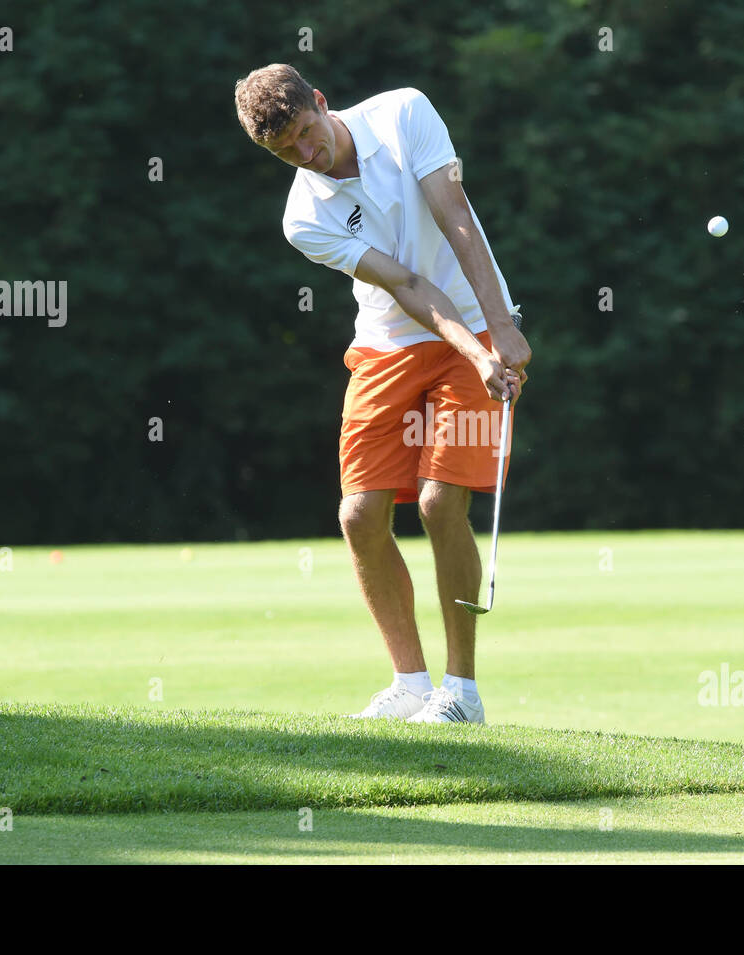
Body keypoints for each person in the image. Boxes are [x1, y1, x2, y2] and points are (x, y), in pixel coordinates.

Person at [234, 64, 532, 723]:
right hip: (389, 343)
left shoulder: (404, 113)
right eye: (286, 153)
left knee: (437, 503)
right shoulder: (302, 218)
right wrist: (475, 351)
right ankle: (411, 683)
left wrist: (498, 332)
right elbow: (405, 285)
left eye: (308, 135)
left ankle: (462, 694)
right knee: (358, 515)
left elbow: (455, 217)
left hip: (480, 317)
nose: (307, 156)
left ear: (320, 101)